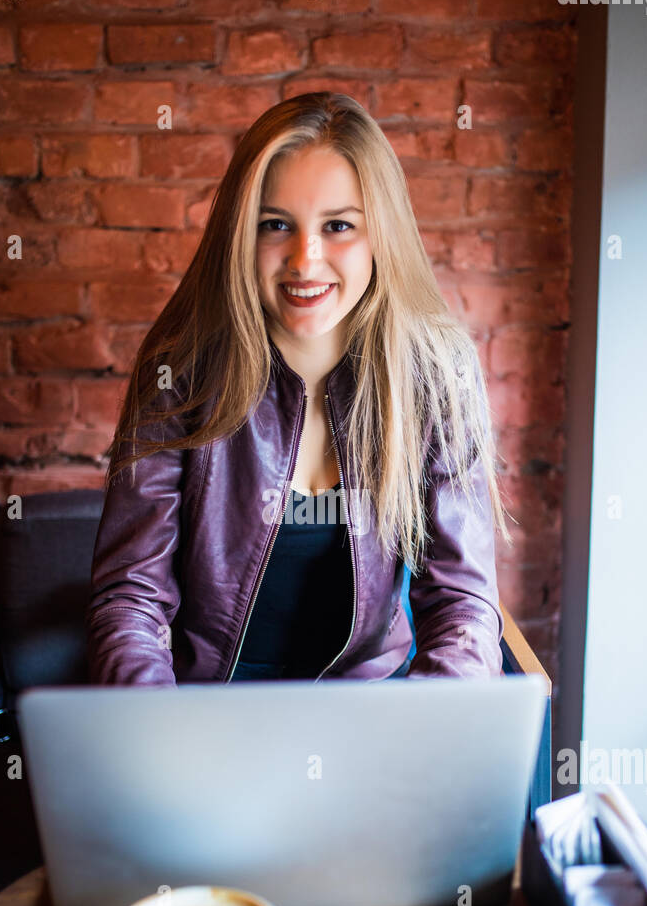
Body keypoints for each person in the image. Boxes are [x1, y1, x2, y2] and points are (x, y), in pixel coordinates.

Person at [86, 91, 510, 686]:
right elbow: (133, 598)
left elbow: (462, 606)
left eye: (338, 226)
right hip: (206, 713)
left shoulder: (437, 375)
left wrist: (424, 739)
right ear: (241, 233)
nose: (305, 261)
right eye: (276, 225)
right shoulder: (178, 369)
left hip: (366, 717)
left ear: (380, 235)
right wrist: (161, 735)